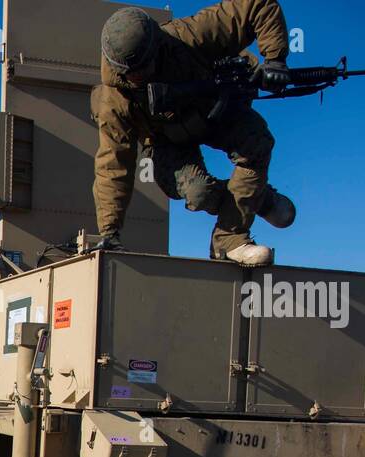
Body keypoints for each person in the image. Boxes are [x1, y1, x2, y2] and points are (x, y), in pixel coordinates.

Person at [92, 1, 296, 265]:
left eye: (143, 68)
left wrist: (275, 58)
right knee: (198, 193)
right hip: (166, 140)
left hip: (213, 111)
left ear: (156, 49)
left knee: (257, 143)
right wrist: (110, 231)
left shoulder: (189, 36)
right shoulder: (115, 101)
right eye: (131, 73)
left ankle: (230, 238)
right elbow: (113, 165)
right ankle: (260, 198)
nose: (137, 77)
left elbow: (258, 6)